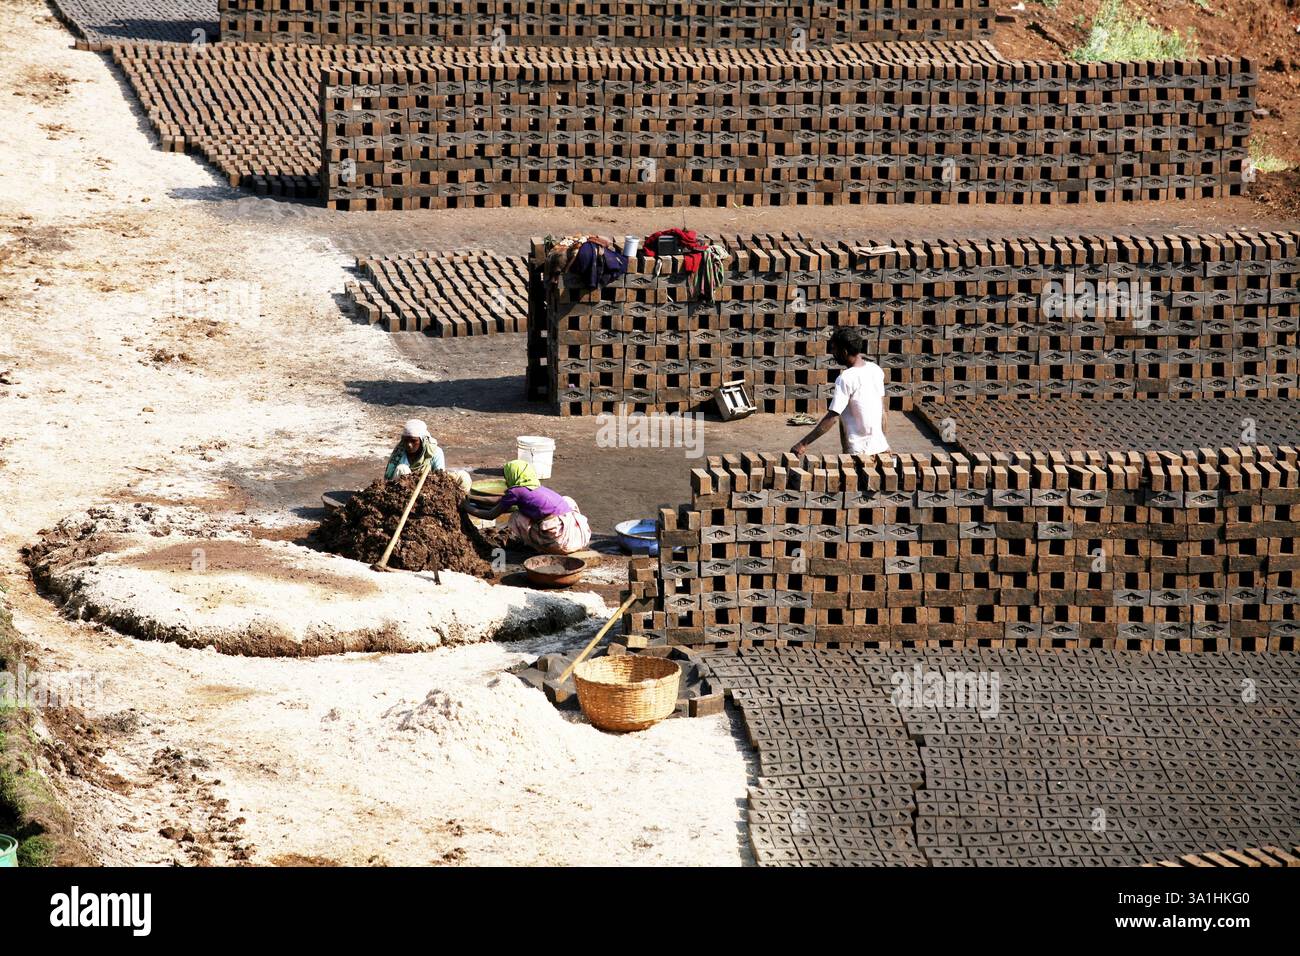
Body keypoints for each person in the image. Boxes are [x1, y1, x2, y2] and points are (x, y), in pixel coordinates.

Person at [790, 326, 890, 457]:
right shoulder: (876, 370)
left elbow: (832, 418)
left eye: (834, 349)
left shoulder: (845, 378)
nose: (833, 353)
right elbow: (882, 411)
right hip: (880, 448)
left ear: (844, 351)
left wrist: (803, 443)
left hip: (858, 451)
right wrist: (885, 443)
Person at [474, 460, 591, 555]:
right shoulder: (536, 488)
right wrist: (473, 498)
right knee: (565, 500)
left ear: (512, 475)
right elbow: (500, 501)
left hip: (561, 543)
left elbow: (491, 515)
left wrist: (467, 507)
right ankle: (547, 541)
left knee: (517, 516)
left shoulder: (516, 491)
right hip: (579, 537)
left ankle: (542, 546)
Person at [383, 419, 473, 493]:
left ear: (422, 440)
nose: (409, 444)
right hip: (406, 493)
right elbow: (389, 479)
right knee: (402, 469)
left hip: (431, 489)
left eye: (414, 441)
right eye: (406, 440)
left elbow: (440, 478)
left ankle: (458, 506)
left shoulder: (435, 452)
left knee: (463, 477)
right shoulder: (399, 453)